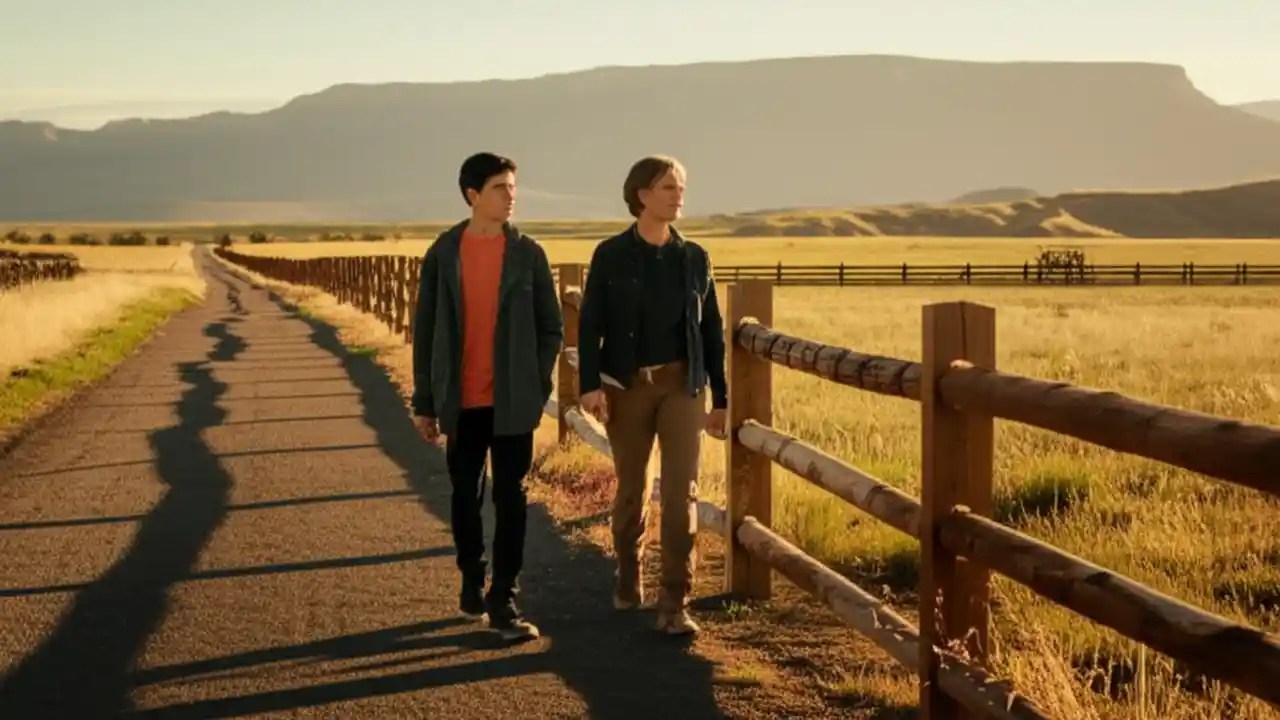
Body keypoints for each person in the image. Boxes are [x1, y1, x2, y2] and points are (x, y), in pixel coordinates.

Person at [411, 151, 563, 642]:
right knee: (464, 492)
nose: (511, 195)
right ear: (474, 195)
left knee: (512, 496)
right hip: (461, 398)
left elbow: (551, 327)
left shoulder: (528, 254)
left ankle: (505, 600)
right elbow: (426, 327)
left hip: (514, 401)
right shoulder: (443, 253)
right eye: (500, 187)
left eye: (514, 186)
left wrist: (536, 381)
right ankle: (472, 578)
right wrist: (424, 400)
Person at [577, 154, 728, 636]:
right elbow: (590, 323)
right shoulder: (609, 254)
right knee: (632, 490)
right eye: (668, 187)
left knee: (681, 491)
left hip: (682, 386)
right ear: (642, 195)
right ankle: (628, 575)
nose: (678, 194)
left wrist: (720, 399)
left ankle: (674, 601)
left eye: (681, 186)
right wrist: (589, 386)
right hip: (626, 386)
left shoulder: (694, 258)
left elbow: (712, 332)